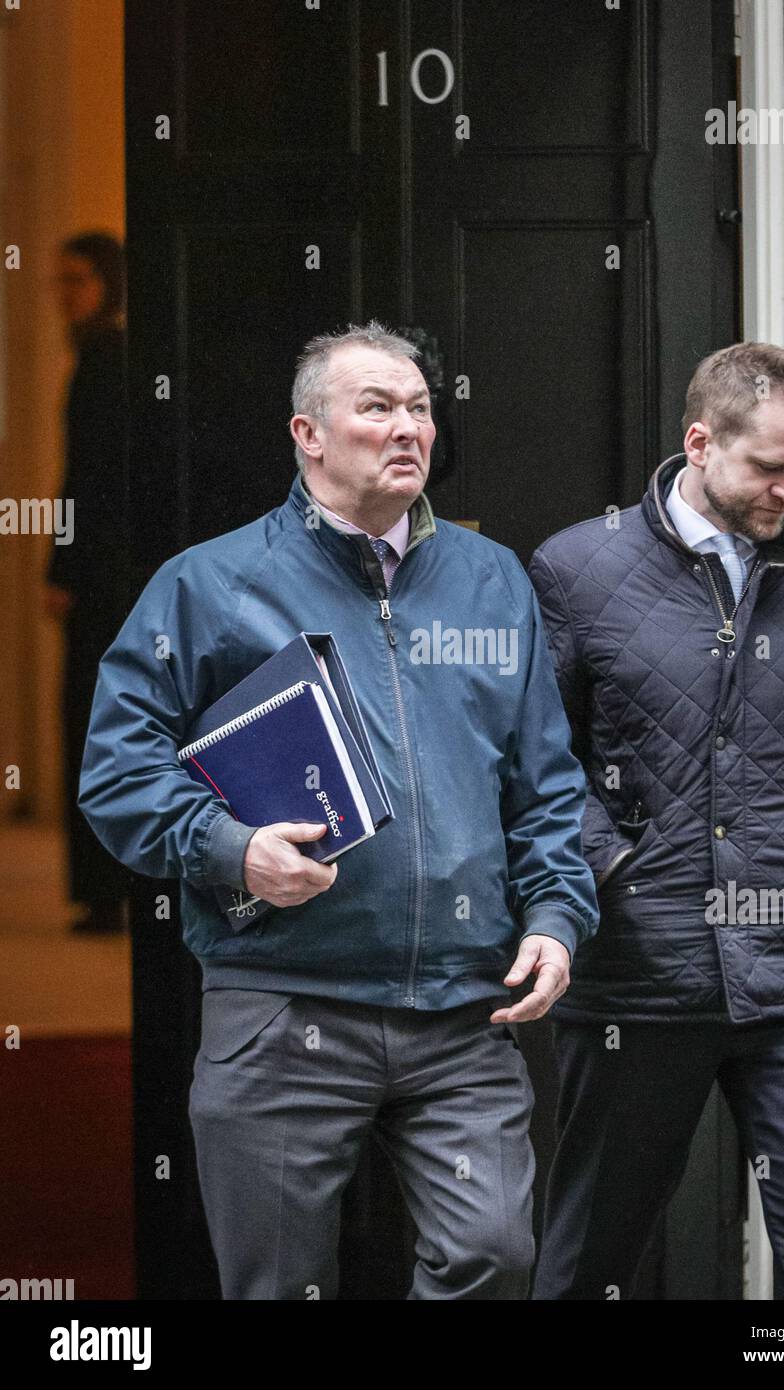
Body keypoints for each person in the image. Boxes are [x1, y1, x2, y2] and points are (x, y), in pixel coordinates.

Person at [78, 321, 599, 1299]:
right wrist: (231, 849)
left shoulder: (493, 585)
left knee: (496, 1254)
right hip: (283, 1007)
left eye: (419, 408)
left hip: (462, 1011)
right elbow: (115, 775)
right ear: (307, 434)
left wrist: (557, 917)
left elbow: (545, 784)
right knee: (276, 1285)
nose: (407, 427)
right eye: (376, 408)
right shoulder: (207, 586)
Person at [528, 342, 784, 1301]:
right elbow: (535, 751)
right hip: (641, 973)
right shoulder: (576, 566)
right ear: (700, 443)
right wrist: (609, 863)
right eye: (768, 466)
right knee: (588, 1258)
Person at [45, 232, 131, 934]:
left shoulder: (101, 361)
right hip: (117, 572)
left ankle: (103, 890)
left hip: (101, 577)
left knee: (90, 718)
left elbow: (85, 483)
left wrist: (61, 567)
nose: (65, 294)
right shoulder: (110, 357)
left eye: (77, 279)